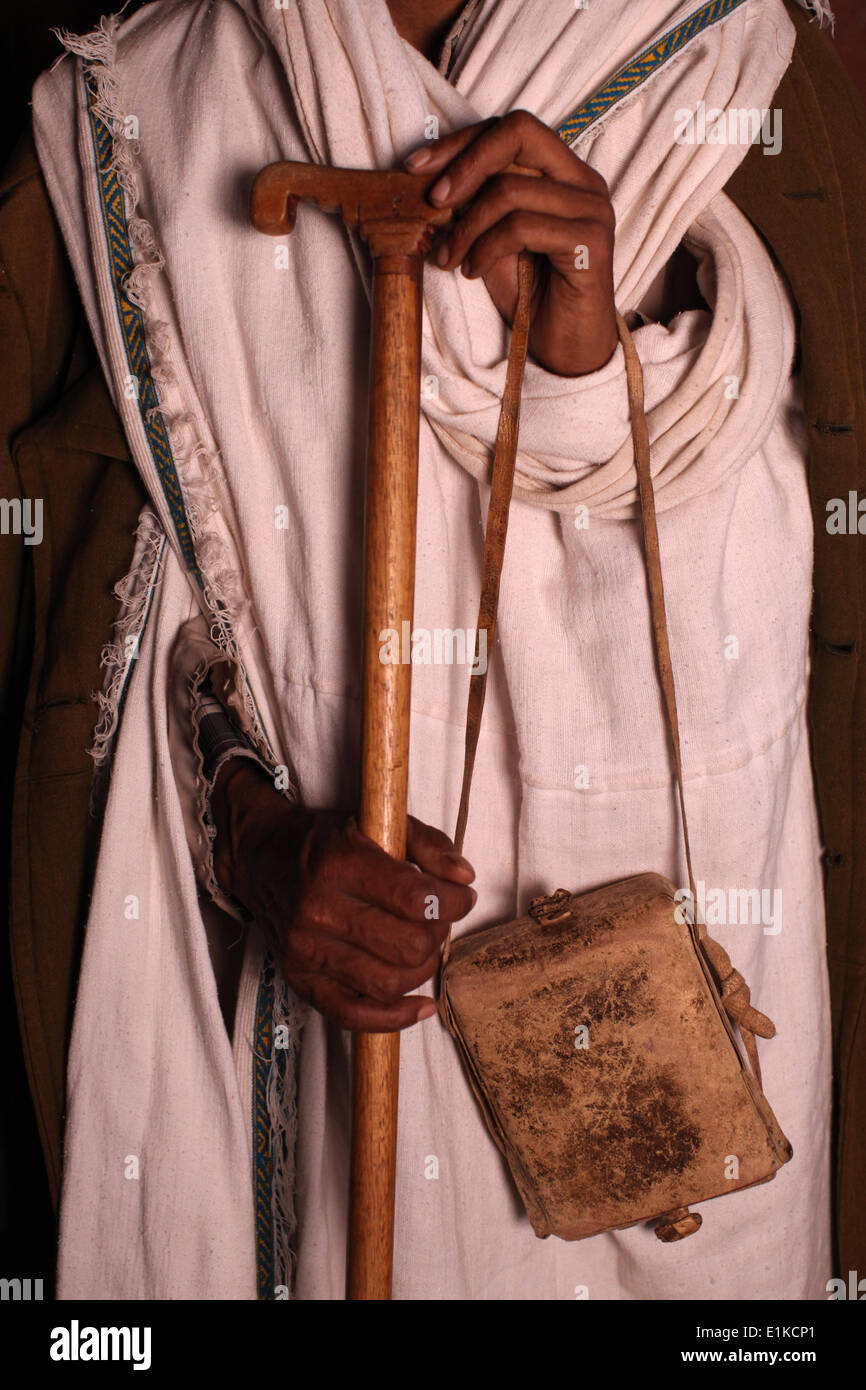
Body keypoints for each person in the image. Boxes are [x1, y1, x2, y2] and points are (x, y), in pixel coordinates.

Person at [6, 0, 864, 1298]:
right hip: (330, 1029)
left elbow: (799, 564)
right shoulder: (150, 105)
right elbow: (110, 578)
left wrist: (589, 377)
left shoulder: (727, 53)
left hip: (681, 973)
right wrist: (252, 835)